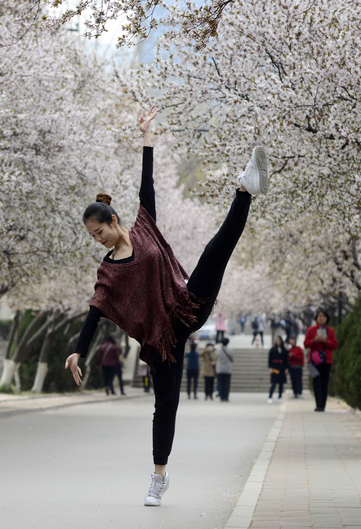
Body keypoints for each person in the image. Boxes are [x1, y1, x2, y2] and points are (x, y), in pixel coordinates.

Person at [64, 106, 269, 507]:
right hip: (162, 341)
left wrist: (147, 139)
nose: (98, 239)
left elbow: (147, 185)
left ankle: (244, 188)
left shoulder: (144, 226)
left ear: (114, 219)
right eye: (92, 236)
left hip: (186, 305)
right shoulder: (108, 274)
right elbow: (95, 312)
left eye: (100, 230)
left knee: (215, 252)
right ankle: (159, 476)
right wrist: (78, 350)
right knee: (166, 404)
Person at [304, 310, 338, 412]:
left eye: (323, 316)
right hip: (314, 360)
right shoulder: (311, 330)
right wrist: (314, 340)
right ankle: (318, 404)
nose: (321, 318)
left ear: (327, 318)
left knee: (324, 382)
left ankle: (322, 405)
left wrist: (325, 341)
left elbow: (334, 345)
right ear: (316, 318)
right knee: (317, 381)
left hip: (326, 360)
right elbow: (306, 344)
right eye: (319, 316)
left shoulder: (330, 331)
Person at [267, 336, 289, 403]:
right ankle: (270, 396)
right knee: (274, 383)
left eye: (279, 341)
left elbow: (286, 360)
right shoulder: (272, 350)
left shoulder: (284, 350)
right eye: (277, 341)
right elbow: (270, 359)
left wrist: (286, 368)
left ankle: (280, 396)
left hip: (282, 368)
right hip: (275, 368)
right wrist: (270, 367)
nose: (278, 342)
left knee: (281, 384)